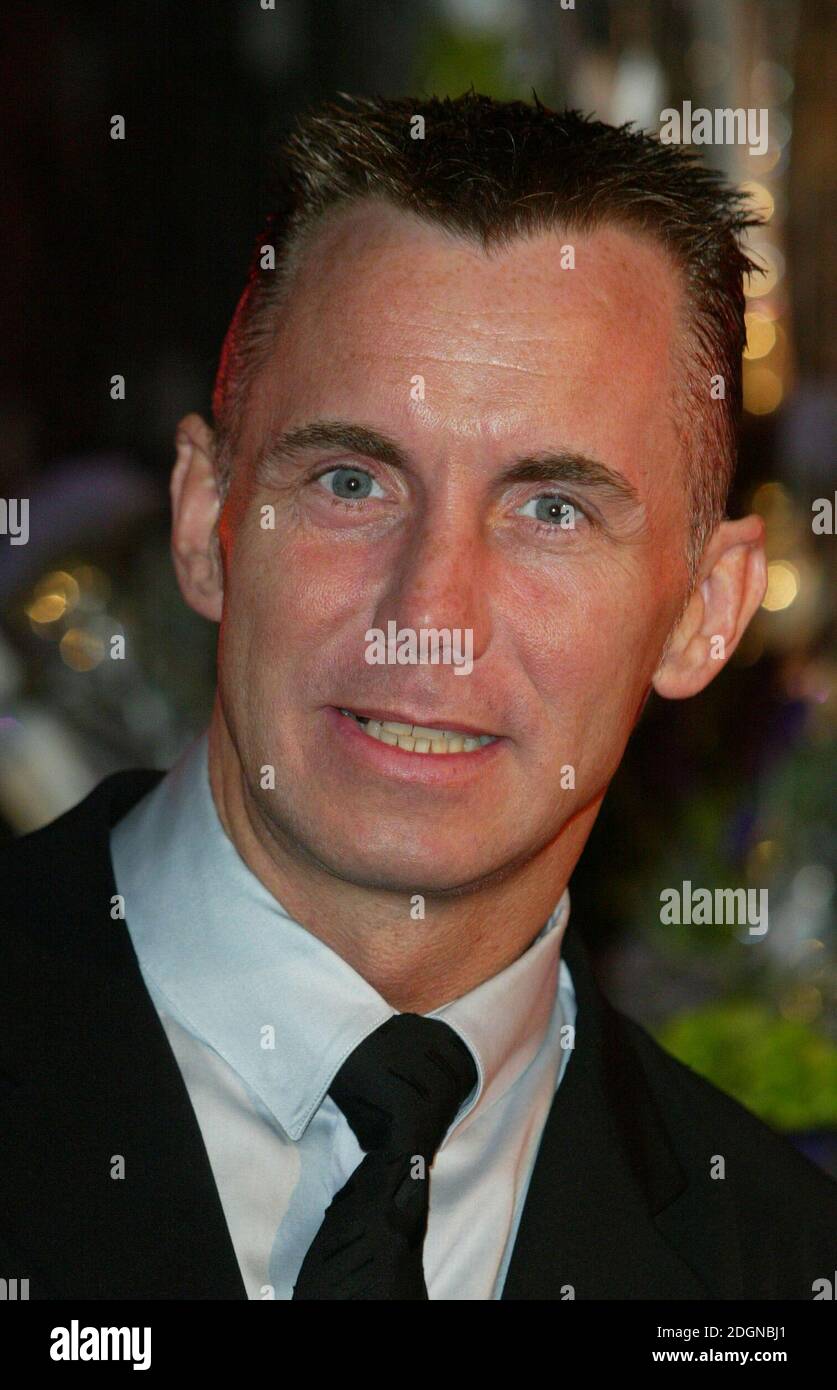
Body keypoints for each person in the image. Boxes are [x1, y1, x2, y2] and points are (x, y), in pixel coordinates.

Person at [2, 93, 835, 1301]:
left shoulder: (778, 1268)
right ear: (204, 518)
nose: (428, 611)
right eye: (351, 479)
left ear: (708, 607)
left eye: (552, 509)